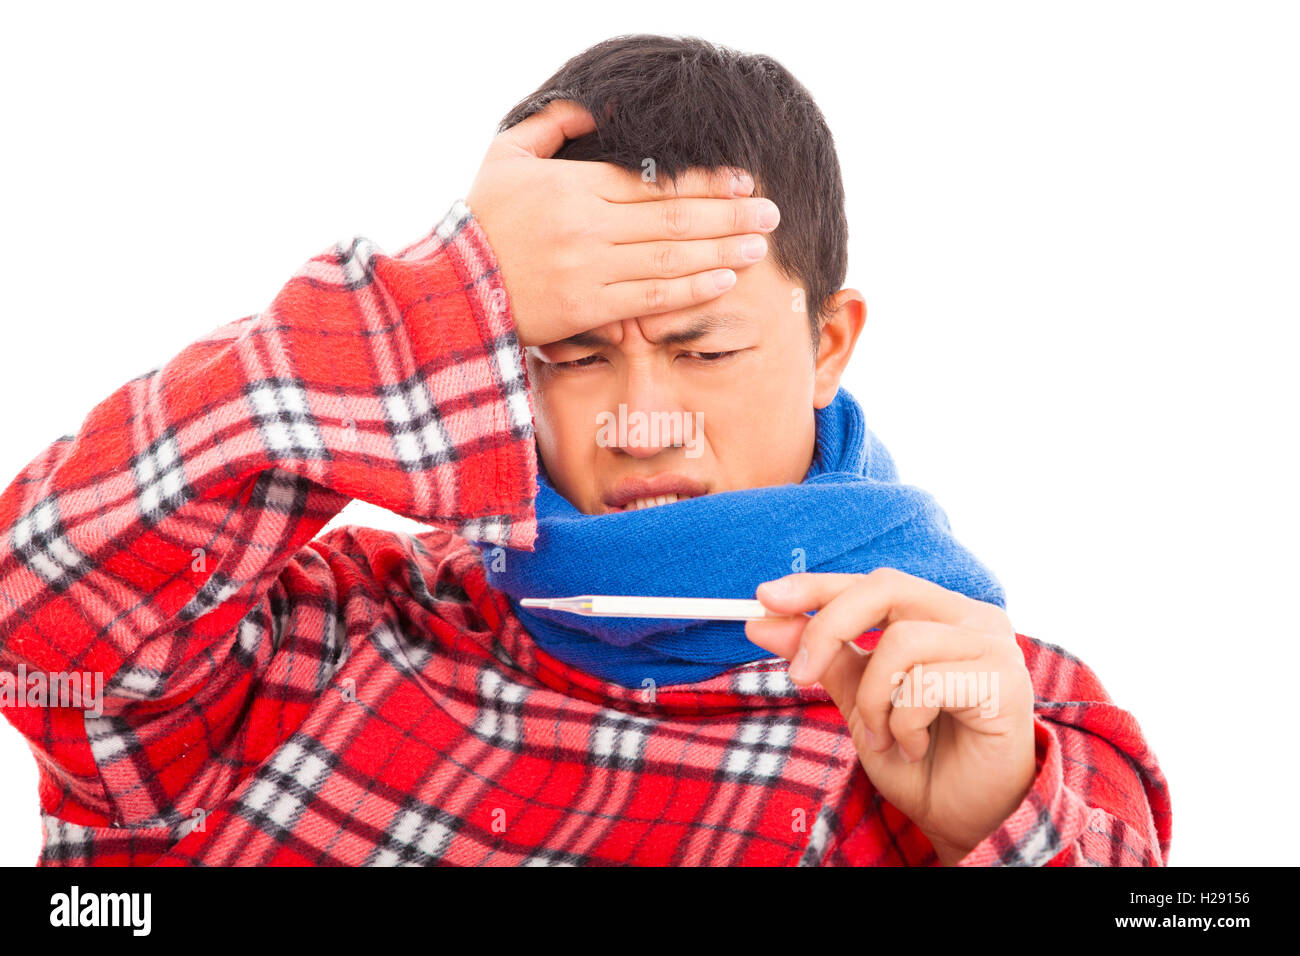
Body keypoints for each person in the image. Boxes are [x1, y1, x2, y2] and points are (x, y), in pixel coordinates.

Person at [0, 34, 1169, 866]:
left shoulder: (1009, 716)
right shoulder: (305, 646)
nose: (638, 415)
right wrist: (424, 300)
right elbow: (33, 612)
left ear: (827, 344)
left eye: (702, 350)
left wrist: (997, 830)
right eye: (569, 353)